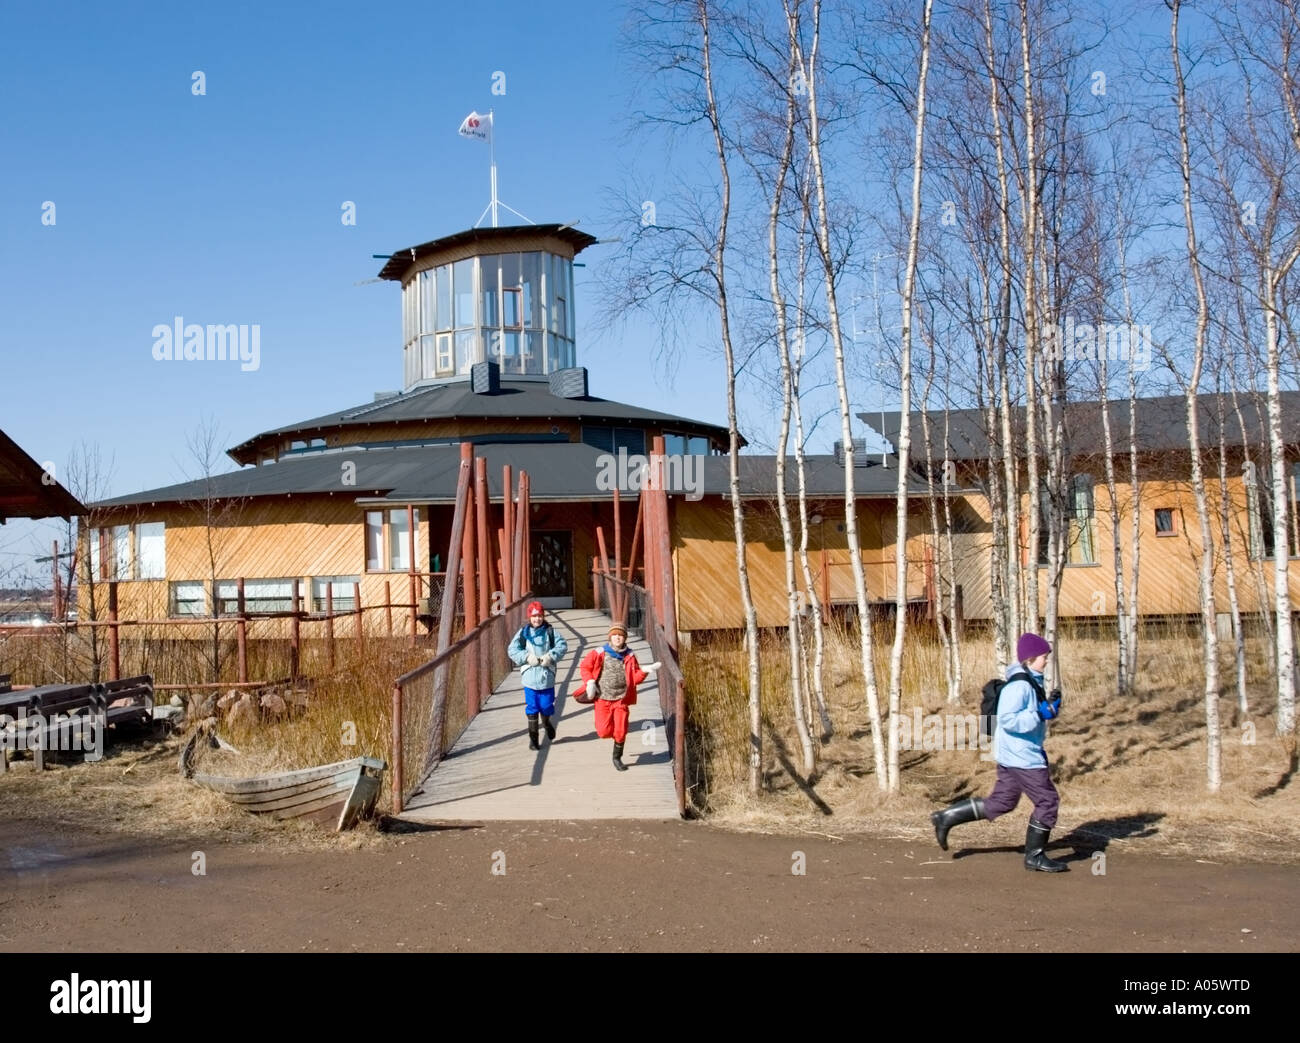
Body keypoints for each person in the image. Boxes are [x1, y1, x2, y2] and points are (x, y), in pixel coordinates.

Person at [929, 632, 1068, 873]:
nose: (1046, 661)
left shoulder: (1030, 682)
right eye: (1044, 657)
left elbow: (1030, 715)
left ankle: (946, 817)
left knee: (1001, 803)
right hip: (1022, 757)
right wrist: (1039, 714)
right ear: (1031, 659)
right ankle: (1034, 856)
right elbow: (1008, 720)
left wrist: (1049, 709)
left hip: (1013, 755)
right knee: (1047, 801)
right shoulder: (1020, 686)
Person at [574, 622, 659, 771]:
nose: (617, 638)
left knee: (621, 730)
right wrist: (590, 681)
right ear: (610, 637)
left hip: (621, 698)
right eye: (615, 635)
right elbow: (585, 666)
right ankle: (611, 733)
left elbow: (634, 678)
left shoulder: (630, 655)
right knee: (603, 732)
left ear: (625, 638)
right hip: (602, 698)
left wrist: (645, 670)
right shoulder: (599, 652)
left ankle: (617, 757)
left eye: (620, 635)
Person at [508, 601, 568, 751]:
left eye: (540, 616)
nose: (537, 619)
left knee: (547, 706)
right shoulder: (523, 633)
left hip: (546, 676)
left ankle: (547, 723)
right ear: (530, 617)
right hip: (529, 676)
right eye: (534, 616)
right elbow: (512, 649)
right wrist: (526, 657)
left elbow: (562, 645)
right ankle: (533, 739)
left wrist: (551, 656)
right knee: (532, 707)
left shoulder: (551, 632)